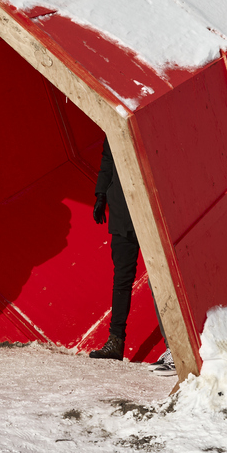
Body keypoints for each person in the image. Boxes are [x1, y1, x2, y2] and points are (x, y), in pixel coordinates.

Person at [88, 140, 141, 360]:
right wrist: (101, 194)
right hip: (121, 210)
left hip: (150, 208)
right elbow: (108, 159)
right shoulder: (114, 118)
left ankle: (172, 344)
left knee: (164, 280)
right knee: (122, 279)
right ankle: (115, 341)